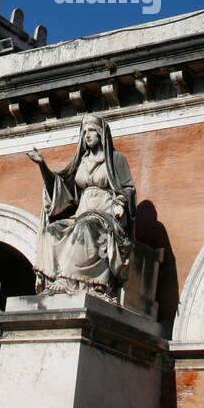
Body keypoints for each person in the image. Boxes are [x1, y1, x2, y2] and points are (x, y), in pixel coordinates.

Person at [26, 114, 136, 298]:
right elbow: (59, 187)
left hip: (104, 214)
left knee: (84, 228)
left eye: (92, 130)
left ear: (101, 133)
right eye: (84, 132)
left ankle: (73, 281)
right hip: (81, 213)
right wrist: (42, 165)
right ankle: (53, 280)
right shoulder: (81, 162)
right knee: (51, 231)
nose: (87, 135)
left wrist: (120, 203)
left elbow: (127, 188)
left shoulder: (116, 159)